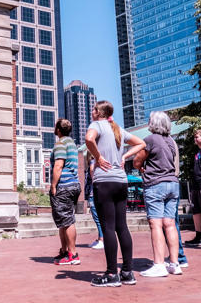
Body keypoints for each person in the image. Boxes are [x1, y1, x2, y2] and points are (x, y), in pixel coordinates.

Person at [85, 100, 146, 287]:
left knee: (108, 227)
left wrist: (98, 156)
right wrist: (125, 156)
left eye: (94, 109)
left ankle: (112, 274)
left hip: (105, 182)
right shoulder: (117, 128)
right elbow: (141, 143)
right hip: (121, 181)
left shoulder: (97, 125)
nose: (92, 112)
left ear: (98, 112)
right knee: (122, 226)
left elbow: (89, 139)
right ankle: (127, 272)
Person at [133, 111, 183, 277]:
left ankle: (159, 264)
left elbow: (137, 160)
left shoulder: (150, 139)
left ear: (153, 123)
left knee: (156, 224)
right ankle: (175, 263)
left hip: (156, 185)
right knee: (170, 224)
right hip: (173, 185)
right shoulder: (171, 141)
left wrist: (141, 167)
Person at [50, 118, 81, 266]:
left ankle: (73, 254)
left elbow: (58, 166)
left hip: (64, 185)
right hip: (74, 184)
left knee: (67, 220)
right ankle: (65, 251)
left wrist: (53, 185)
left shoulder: (60, 144)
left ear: (58, 130)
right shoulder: (72, 144)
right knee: (64, 220)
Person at [84, 150, 104, 249]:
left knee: (97, 218)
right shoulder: (99, 162)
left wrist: (93, 179)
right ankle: (100, 238)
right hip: (99, 193)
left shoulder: (92, 161)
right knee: (101, 217)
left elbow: (91, 170)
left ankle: (101, 239)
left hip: (93, 193)